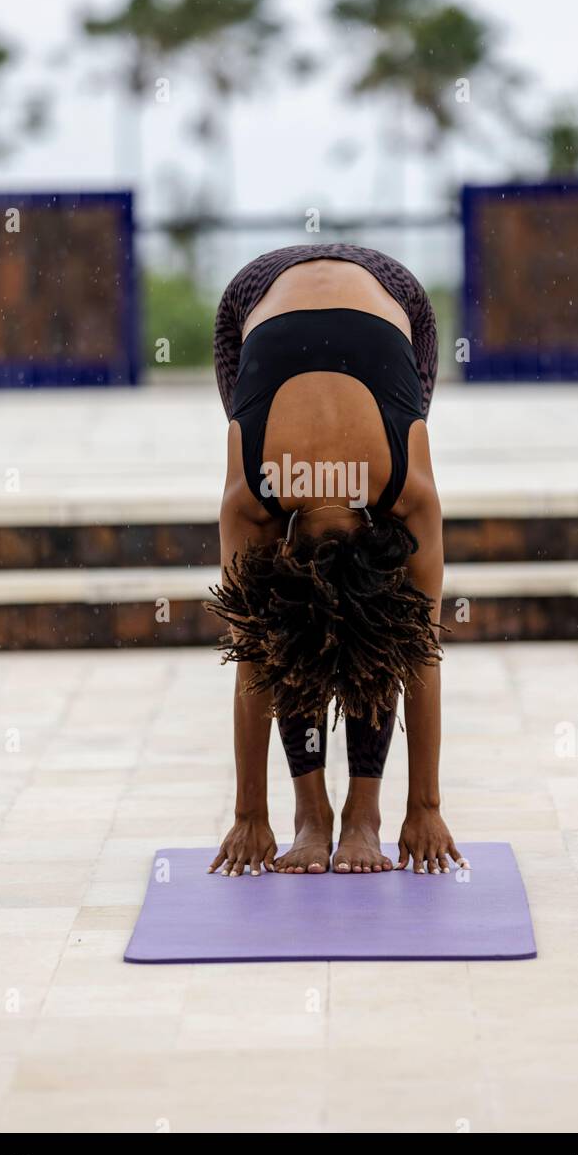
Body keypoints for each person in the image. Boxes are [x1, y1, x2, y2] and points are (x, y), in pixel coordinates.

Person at [207, 244, 468, 877]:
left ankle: (361, 816)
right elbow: (257, 655)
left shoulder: (400, 492)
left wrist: (248, 815)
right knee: (294, 640)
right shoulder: (257, 498)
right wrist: (426, 808)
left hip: (379, 300)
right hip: (267, 299)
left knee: (367, 635)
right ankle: (313, 817)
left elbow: (413, 651)